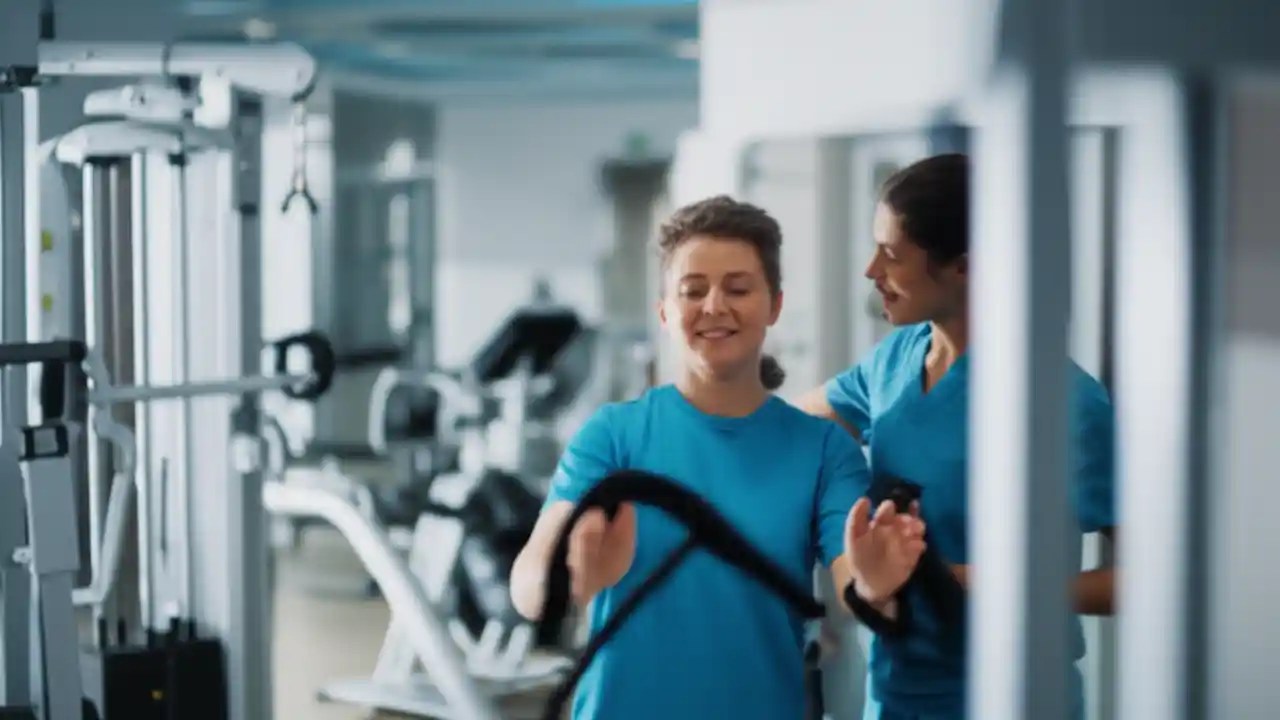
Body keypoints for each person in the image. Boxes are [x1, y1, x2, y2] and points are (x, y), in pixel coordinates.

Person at [509, 196, 928, 720]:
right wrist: (571, 578)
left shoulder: (822, 450)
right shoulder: (613, 435)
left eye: (738, 288)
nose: (714, 306)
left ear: (774, 304)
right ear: (664, 311)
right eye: (692, 291)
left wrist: (873, 580)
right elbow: (529, 587)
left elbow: (855, 585)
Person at [797, 153, 1118, 719]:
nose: (871, 270)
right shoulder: (894, 359)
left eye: (891, 254)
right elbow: (797, 423)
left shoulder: (1063, 400)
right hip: (894, 695)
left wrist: (996, 584)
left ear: (966, 266)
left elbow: (1139, 581)